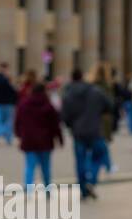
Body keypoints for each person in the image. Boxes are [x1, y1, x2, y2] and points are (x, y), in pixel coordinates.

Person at [60, 68, 110, 199]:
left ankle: (83, 189)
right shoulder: (95, 91)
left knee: (80, 161)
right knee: (99, 155)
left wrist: (71, 125)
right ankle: (91, 180)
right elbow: (109, 105)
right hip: (94, 130)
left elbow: (64, 115)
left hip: (78, 132)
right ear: (82, 77)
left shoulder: (68, 93)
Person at [15, 80, 61, 188]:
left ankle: (28, 188)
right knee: (45, 167)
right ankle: (48, 189)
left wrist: (19, 135)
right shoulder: (48, 105)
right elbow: (55, 124)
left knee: (29, 167)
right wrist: (59, 138)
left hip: (29, 140)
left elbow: (17, 121)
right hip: (45, 141)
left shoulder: (23, 104)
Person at [0, 62, 17, 145]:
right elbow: (12, 90)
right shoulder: (5, 79)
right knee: (7, 121)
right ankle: (6, 138)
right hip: (6, 102)